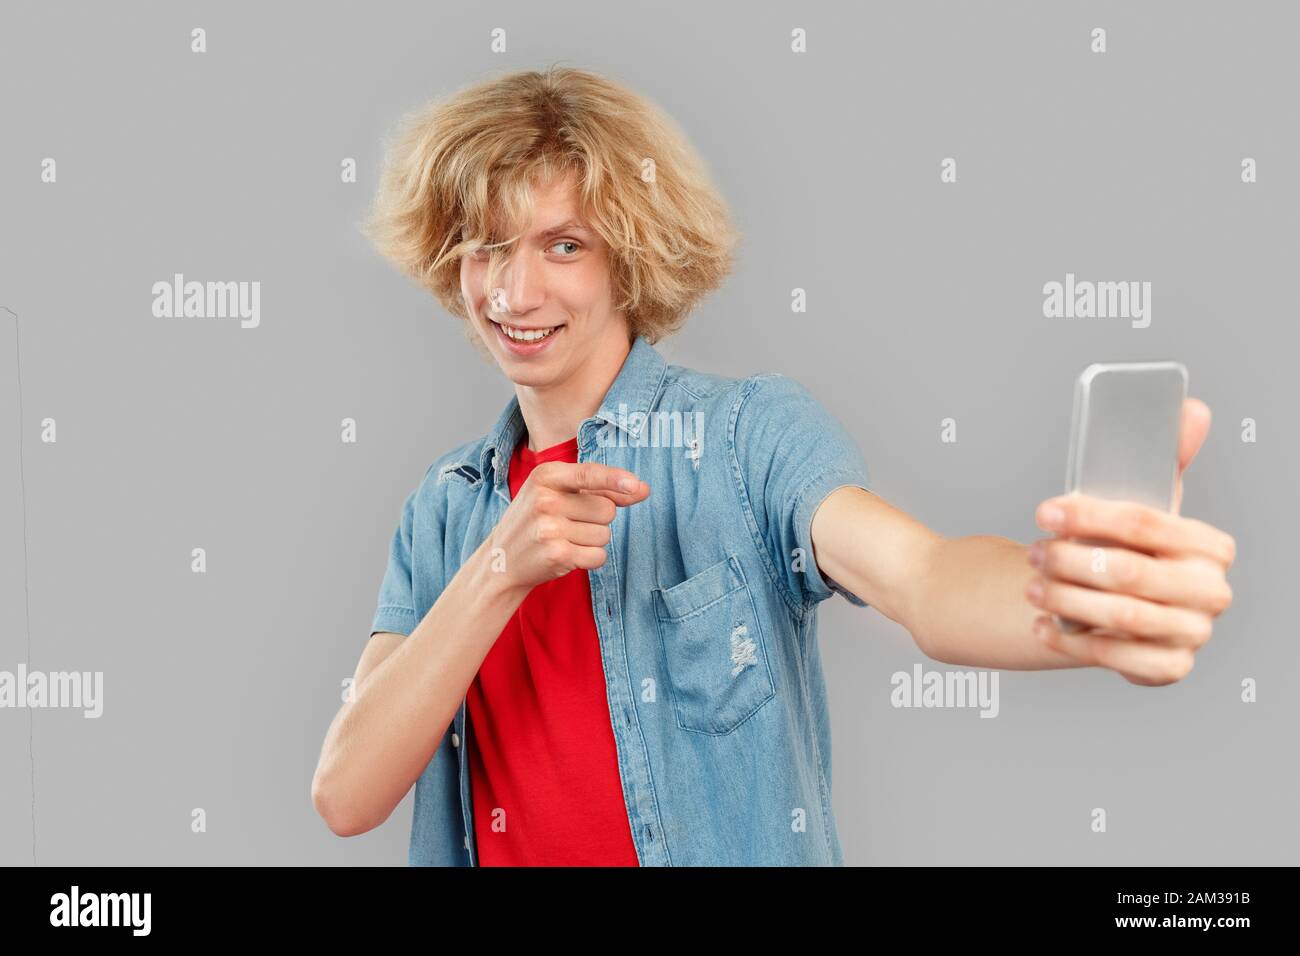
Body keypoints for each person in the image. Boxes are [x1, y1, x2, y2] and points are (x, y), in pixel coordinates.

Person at [310, 66, 1236, 866]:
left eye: (564, 246)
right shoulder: (446, 508)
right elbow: (346, 795)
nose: (515, 292)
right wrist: (499, 572)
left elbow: (924, 578)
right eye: (486, 247)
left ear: (629, 257)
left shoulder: (746, 437)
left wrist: (1073, 607)